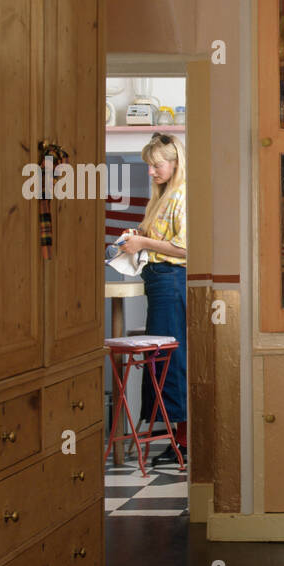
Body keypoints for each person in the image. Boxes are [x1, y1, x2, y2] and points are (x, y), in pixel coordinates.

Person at [119, 133, 188, 465]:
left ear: (174, 164)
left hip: (171, 282)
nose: (151, 172)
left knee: (172, 360)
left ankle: (183, 441)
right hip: (159, 283)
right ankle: (174, 438)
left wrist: (144, 245)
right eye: (149, 166)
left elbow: (186, 248)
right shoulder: (161, 197)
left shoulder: (181, 197)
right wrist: (140, 238)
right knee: (161, 359)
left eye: (156, 165)